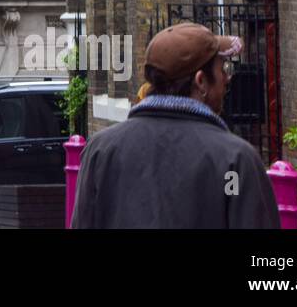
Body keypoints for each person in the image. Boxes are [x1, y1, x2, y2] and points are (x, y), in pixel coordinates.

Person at [71, 22, 279, 228]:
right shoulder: (234, 160)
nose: (227, 78)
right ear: (201, 81)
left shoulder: (100, 150)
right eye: (222, 68)